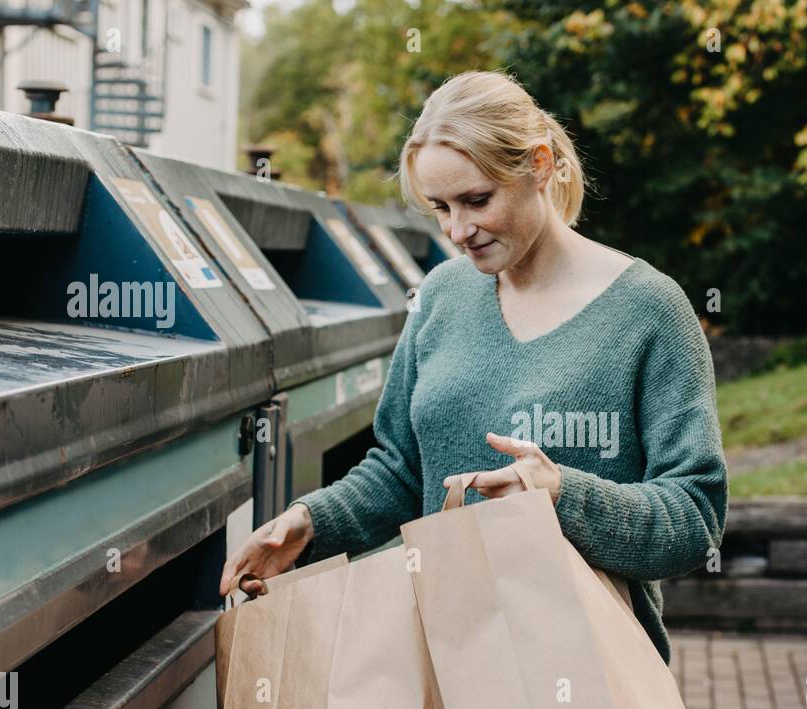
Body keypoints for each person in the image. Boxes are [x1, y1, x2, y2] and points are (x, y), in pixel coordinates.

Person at [219, 70, 727, 665]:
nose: (458, 230)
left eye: (476, 200)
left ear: (539, 165)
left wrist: (562, 494)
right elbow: (404, 470)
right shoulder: (440, 296)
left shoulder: (650, 311)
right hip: (447, 664)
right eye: (441, 207)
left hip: (587, 684)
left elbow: (694, 517)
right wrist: (310, 523)